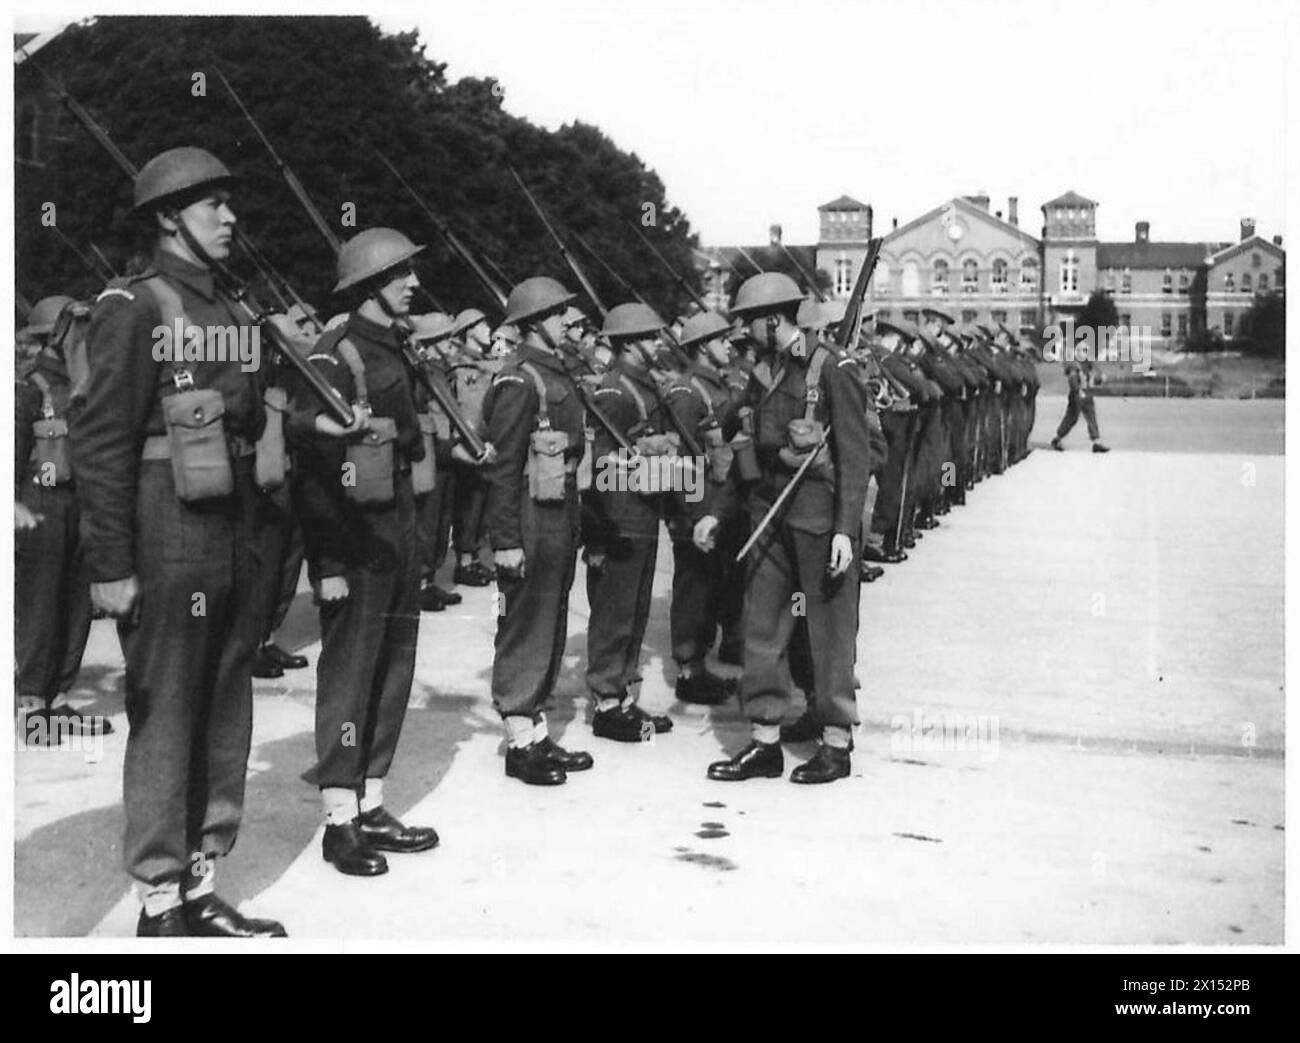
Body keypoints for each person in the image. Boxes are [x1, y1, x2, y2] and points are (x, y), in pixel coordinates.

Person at [71, 146, 286, 936]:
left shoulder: (233, 311)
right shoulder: (133, 306)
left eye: (229, 204)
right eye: (210, 206)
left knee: (226, 701)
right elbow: (100, 444)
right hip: (166, 528)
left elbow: (254, 418)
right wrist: (112, 565)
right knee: (166, 709)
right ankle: (160, 896)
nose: (230, 218)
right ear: (168, 218)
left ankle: (202, 877)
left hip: (231, 525)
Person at [286, 227, 441, 876]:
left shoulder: (393, 346)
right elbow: (311, 469)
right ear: (371, 283)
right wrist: (325, 565)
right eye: (401, 273)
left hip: (397, 529)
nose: (413, 283)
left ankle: (372, 799)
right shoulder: (335, 352)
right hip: (352, 539)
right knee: (350, 674)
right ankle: (338, 818)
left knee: (393, 666)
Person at [694, 272, 871, 784]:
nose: (742, 333)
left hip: (819, 521)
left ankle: (836, 742)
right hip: (766, 520)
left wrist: (845, 529)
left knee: (830, 633)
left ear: (774, 319)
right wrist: (717, 511)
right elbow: (746, 449)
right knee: (762, 629)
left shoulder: (834, 369)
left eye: (749, 322)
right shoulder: (762, 373)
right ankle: (765, 740)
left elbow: (856, 458)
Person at [480, 276, 594, 785]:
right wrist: (504, 540)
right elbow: (501, 467)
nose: (569, 321)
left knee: (549, 619)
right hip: (528, 515)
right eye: (557, 314)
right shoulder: (519, 380)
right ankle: (519, 738)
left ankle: (535, 727)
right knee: (524, 621)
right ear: (533, 323)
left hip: (559, 513)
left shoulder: (558, 372)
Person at [15, 294, 108, 743]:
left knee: (76, 602)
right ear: (57, 334)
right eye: (79, 328)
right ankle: (32, 703)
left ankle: (59, 699)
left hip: (81, 500)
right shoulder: (29, 385)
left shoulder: (86, 383)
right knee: (40, 600)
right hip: (41, 502)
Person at [582, 303, 676, 741]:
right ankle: (605, 701)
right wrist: (599, 535)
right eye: (652, 337)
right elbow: (597, 462)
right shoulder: (616, 391)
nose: (659, 343)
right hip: (619, 514)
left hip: (642, 508)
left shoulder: (642, 384)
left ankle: (622, 697)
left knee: (635, 609)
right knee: (615, 611)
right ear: (630, 343)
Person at [664, 310, 747, 699]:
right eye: (720, 339)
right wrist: (692, 515)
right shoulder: (686, 392)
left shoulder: (718, 385)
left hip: (718, 506)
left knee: (715, 585)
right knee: (693, 590)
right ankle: (688, 669)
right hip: (695, 510)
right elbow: (681, 461)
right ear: (701, 347)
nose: (729, 345)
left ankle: (705, 659)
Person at [1052, 358, 1108, 452]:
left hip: (1087, 393)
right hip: (1077, 395)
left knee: (1091, 417)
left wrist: (1100, 379)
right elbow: (1072, 380)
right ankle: (1057, 439)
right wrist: (1078, 391)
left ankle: (1096, 442)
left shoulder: (1087, 365)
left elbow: (1089, 381)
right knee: (1071, 418)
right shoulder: (1074, 365)